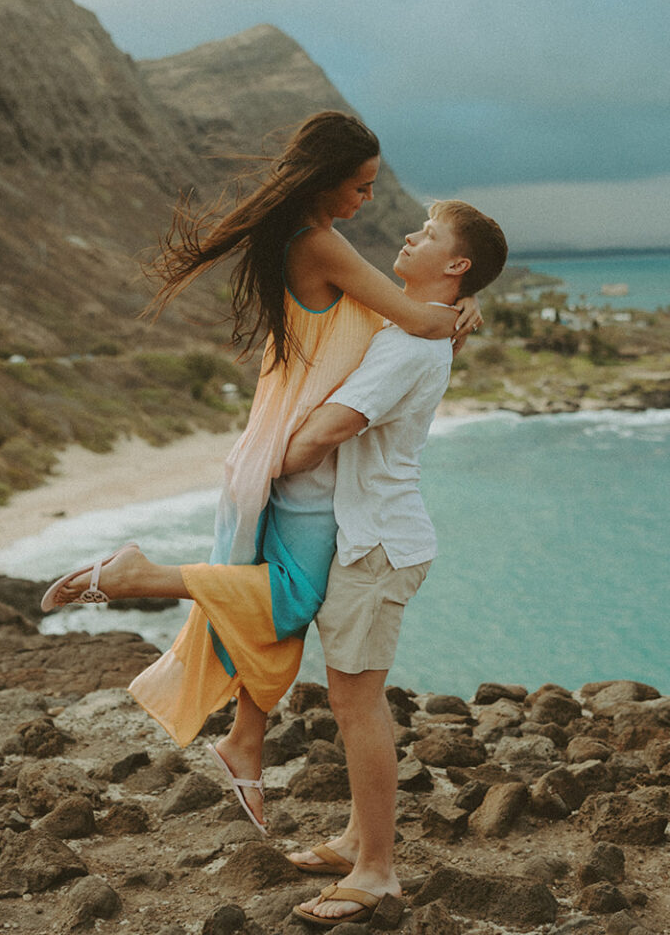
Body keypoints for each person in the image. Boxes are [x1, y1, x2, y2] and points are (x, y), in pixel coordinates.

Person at [41, 112, 480, 834]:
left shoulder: (303, 240)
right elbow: (418, 322)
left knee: (274, 616)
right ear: (328, 180)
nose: (368, 202)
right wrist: (461, 310)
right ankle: (134, 576)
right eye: (362, 188)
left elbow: (405, 347)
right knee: (292, 601)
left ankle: (244, 745)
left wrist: (450, 319)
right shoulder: (322, 244)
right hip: (295, 459)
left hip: (276, 445)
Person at [283, 199, 506, 926]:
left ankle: (378, 871)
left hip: (378, 544)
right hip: (373, 537)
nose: (409, 236)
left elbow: (332, 429)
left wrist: (258, 470)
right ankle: (356, 837)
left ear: (457, 265)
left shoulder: (409, 343)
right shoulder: (417, 328)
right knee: (352, 698)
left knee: (356, 703)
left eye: (428, 234)